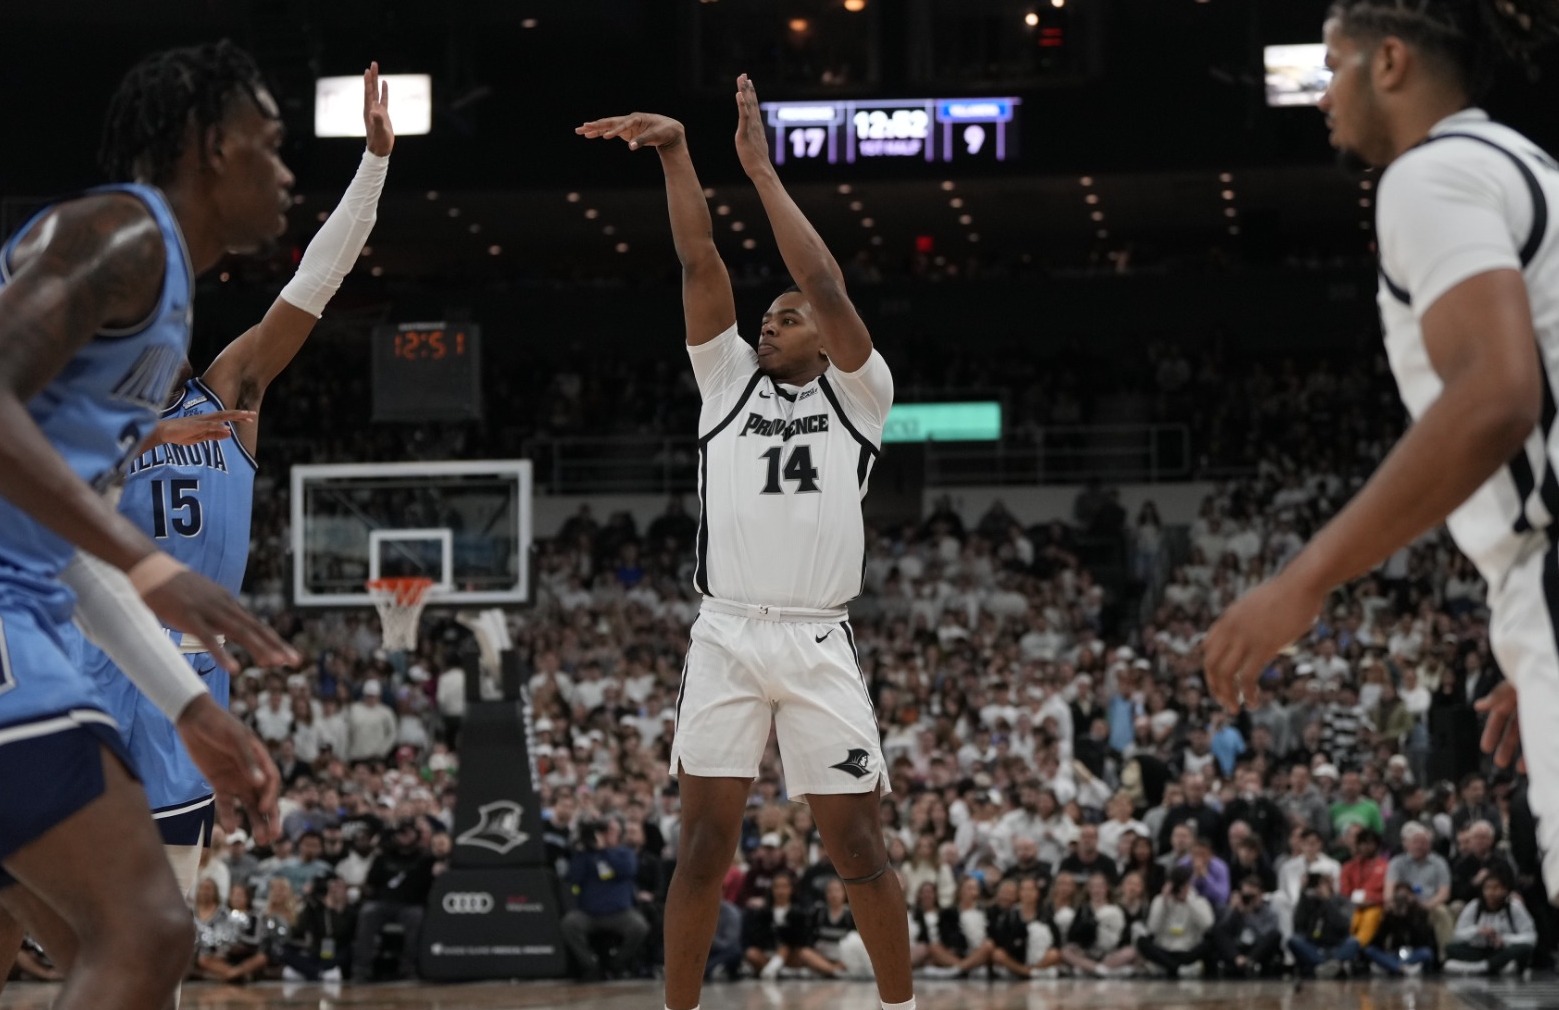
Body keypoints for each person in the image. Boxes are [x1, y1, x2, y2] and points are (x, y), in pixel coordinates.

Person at [1203, 0, 1559, 911]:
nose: (1323, 93)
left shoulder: (1429, 176)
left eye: (1332, 65)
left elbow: (1494, 396)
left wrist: (1304, 579)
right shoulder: (1529, 167)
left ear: (1389, 61)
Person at [578, 75, 912, 1010]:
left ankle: (904, 1006)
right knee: (700, 851)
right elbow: (697, 266)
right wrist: (679, 152)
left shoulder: (860, 394)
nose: (771, 320)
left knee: (856, 848)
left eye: (786, 316)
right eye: (766, 316)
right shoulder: (726, 383)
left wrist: (761, 174)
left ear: (824, 340)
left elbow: (825, 282)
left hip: (815, 636)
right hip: (724, 633)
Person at [0, 40, 301, 1010]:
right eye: (270, 142)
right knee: (141, 927)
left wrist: (190, 706)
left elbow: (57, 542)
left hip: (29, 600)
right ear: (211, 146)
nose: (287, 169)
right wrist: (150, 561)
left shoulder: (165, 301)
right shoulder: (123, 234)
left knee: (105, 933)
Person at [561, 818, 651, 982]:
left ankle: (615, 964)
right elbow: (573, 877)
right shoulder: (586, 855)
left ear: (618, 834)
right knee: (569, 923)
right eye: (602, 831)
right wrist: (583, 851)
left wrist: (604, 851)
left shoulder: (624, 853)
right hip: (589, 914)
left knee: (639, 926)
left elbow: (628, 870)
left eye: (609, 831)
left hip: (619, 913)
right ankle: (591, 965)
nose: (604, 835)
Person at [350, 818, 434, 982]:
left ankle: (408, 968)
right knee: (367, 912)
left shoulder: (425, 859)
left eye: (407, 833)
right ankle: (361, 969)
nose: (403, 837)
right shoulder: (383, 857)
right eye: (400, 834)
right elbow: (371, 883)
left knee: (416, 917)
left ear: (416, 835)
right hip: (383, 903)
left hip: (411, 904)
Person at [1444, 864, 1537, 975]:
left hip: (1503, 950)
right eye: (1487, 888)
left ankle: (1482, 967)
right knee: (1450, 948)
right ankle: (1497, 966)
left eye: (1496, 888)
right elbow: (1457, 935)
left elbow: (1531, 937)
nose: (1491, 893)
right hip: (1479, 950)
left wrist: (1504, 940)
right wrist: (1477, 931)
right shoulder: (1475, 906)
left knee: (1524, 949)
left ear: (1505, 890)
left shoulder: (1514, 907)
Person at [1134, 864, 1214, 978]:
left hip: (1187, 950)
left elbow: (1207, 925)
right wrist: (1163, 902)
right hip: (1165, 950)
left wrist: (1189, 902)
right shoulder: (1159, 900)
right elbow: (1152, 928)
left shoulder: (1198, 901)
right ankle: (1178, 968)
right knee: (1141, 941)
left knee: (1210, 942)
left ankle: (1170, 967)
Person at [1288, 872, 1360, 979]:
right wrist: (1302, 893)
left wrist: (1327, 901)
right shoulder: (1308, 902)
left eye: (1323, 883)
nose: (1319, 887)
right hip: (1314, 947)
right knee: (1294, 940)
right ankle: (1328, 966)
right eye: (1317, 884)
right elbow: (1298, 925)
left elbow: (1344, 925)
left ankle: (1324, 966)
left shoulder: (1342, 901)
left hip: (1336, 946)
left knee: (1353, 942)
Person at [1366, 881, 1440, 976]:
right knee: (1370, 950)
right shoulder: (1391, 914)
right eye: (1399, 897)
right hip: (1396, 953)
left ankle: (1392, 967)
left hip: (1414, 952)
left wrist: (1410, 916)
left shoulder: (1420, 913)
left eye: (1405, 897)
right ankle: (1400, 968)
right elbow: (1378, 942)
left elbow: (1424, 941)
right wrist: (1389, 918)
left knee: (1426, 953)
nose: (1402, 901)